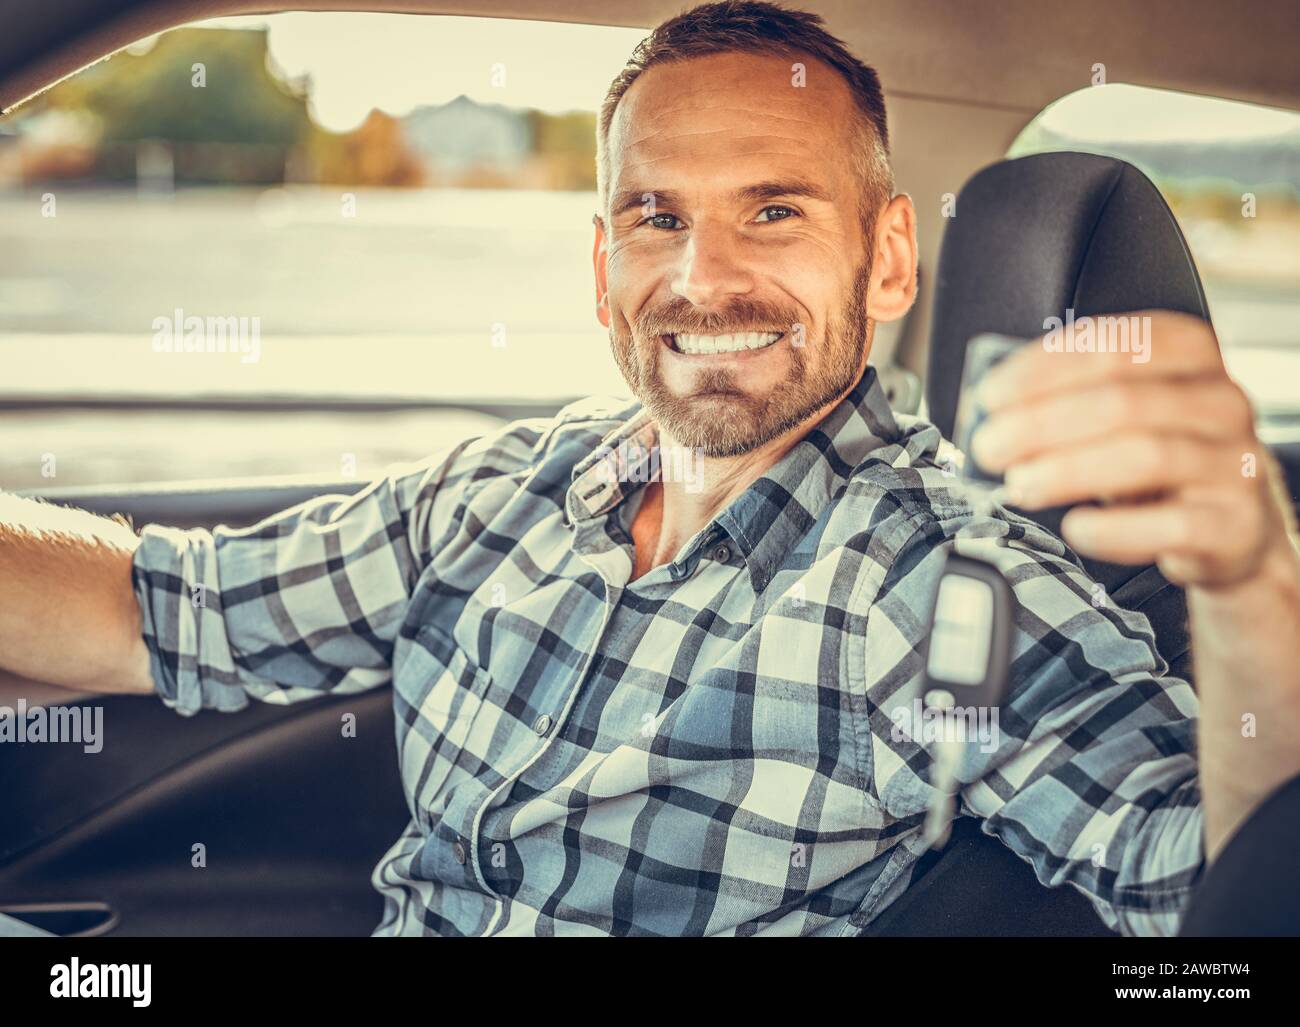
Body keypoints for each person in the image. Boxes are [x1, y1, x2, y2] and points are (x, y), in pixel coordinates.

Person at [3, 0, 1298, 937]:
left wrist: (1250, 584)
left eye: (774, 210)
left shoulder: (946, 588)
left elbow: (1218, 894)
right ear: (602, 269)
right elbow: (160, 607)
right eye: (655, 217)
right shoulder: (502, 492)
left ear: (890, 260)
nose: (702, 277)